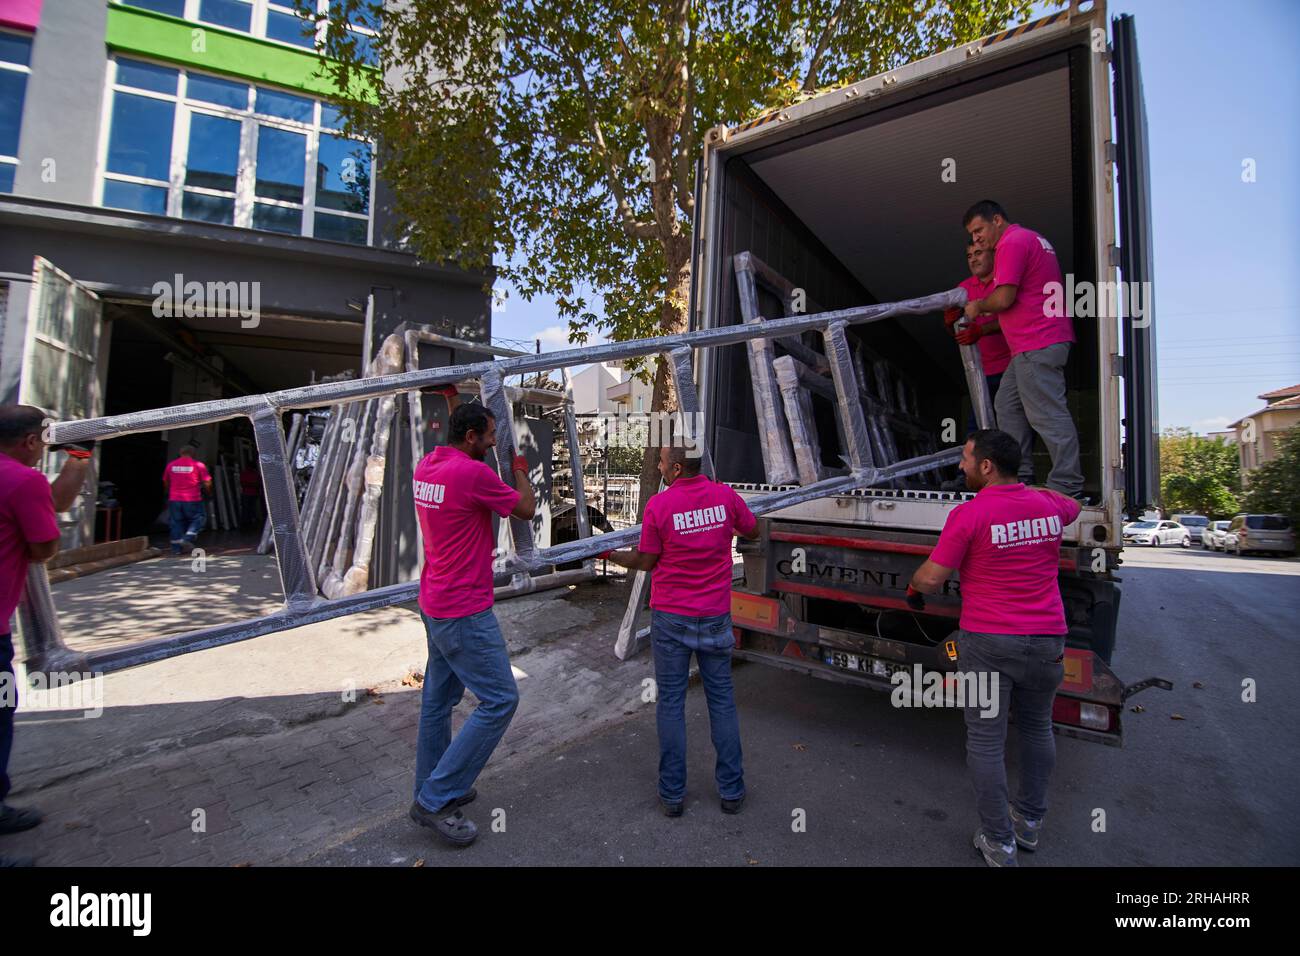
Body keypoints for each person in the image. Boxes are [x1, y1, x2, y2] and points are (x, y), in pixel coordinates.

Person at [906, 429, 1081, 867]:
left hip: (988, 643)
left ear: (986, 466)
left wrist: (913, 586)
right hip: (1047, 641)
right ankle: (1028, 823)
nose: (960, 466)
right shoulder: (1050, 506)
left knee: (986, 740)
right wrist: (1027, 489)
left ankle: (999, 843)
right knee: (1038, 729)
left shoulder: (970, 515)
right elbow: (1073, 505)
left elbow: (933, 577)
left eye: (966, 458)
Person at [604, 442, 759, 816]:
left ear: (675, 468)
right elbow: (752, 529)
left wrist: (609, 553)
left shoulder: (661, 505)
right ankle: (732, 792)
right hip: (715, 615)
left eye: (660, 463)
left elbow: (645, 559)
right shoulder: (725, 497)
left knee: (671, 703)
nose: (658, 468)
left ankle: (673, 796)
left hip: (672, 618)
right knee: (721, 701)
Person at [409, 398, 534, 847]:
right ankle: (437, 798)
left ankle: (435, 787)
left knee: (438, 703)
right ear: (470, 438)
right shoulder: (473, 474)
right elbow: (525, 508)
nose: (494, 442)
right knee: (501, 699)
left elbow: (462, 440)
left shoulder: (428, 465)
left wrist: (453, 397)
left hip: (434, 601)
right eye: (490, 435)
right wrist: (520, 465)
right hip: (463, 611)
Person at [0, 404, 93, 867]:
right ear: (33, 442)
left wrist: (78, 459)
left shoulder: (20, 481)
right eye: (45, 439)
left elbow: (54, 503)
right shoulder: (22, 481)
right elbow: (43, 547)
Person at [961, 200, 1085, 500]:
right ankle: (1021, 475)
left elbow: (1004, 299)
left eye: (979, 230)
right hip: (1030, 345)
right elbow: (1018, 307)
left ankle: (1067, 486)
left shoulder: (1012, 243)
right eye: (972, 234)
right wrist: (983, 328)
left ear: (997, 221)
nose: (976, 239)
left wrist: (977, 306)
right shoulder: (1032, 240)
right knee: (1006, 405)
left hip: (1037, 342)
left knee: (1047, 415)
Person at [942, 240, 1011, 489]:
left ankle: (1012, 480)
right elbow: (959, 331)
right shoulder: (964, 289)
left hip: (1008, 369)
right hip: (979, 373)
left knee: (1008, 426)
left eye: (978, 252)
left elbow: (1016, 320)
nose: (973, 258)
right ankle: (968, 479)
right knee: (975, 430)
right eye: (969, 254)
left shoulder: (1004, 285)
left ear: (994, 255)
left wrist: (980, 329)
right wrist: (950, 324)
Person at [162, 443, 212, 554]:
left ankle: (176, 550)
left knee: (176, 523)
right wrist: (208, 492)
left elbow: (165, 481)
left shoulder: (171, 465)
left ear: (180, 453)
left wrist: (167, 492)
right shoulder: (198, 465)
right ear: (193, 454)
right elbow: (207, 482)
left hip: (174, 499)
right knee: (198, 519)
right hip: (192, 499)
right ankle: (187, 539)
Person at [238, 462, 262, 529]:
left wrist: (250, 484)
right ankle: (248, 523)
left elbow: (243, 483)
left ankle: (247, 523)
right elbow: (258, 484)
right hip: (252, 494)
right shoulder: (255, 474)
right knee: (251, 509)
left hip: (247, 493)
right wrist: (253, 484)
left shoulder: (245, 474)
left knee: (247, 509)